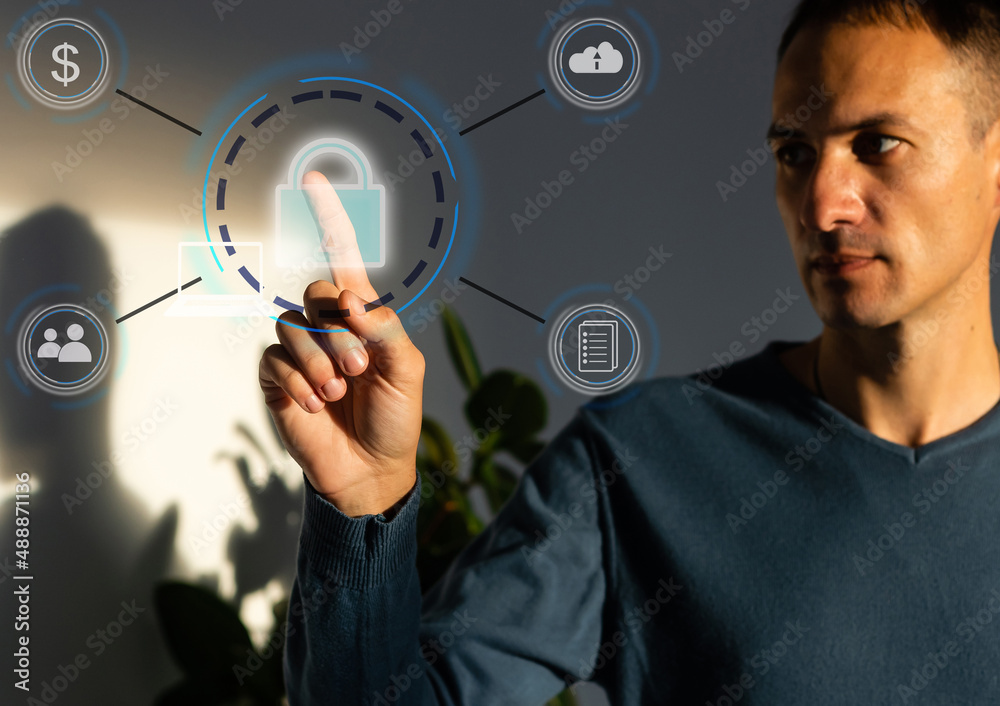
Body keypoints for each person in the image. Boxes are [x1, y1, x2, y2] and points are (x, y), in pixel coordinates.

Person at [258, 1, 1000, 702]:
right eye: (795, 153)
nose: (821, 204)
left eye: (877, 144)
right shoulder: (642, 457)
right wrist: (364, 504)